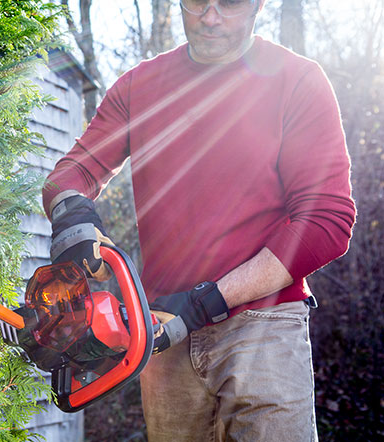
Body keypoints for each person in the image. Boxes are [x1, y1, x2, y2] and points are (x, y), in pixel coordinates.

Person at [42, 0, 356, 440]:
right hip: (164, 333)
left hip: (263, 327)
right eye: (197, 1)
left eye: (228, 3)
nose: (210, 16)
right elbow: (70, 175)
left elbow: (327, 220)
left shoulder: (296, 80)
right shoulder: (141, 86)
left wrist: (210, 301)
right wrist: (74, 214)